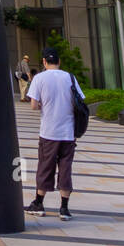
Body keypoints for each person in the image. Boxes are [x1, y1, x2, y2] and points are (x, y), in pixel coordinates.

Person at [25, 46, 86, 221]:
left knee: (45, 166)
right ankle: (64, 208)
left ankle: (39, 203)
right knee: (66, 169)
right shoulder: (70, 78)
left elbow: (34, 105)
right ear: (59, 61)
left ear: (44, 62)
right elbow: (79, 102)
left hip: (49, 132)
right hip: (68, 133)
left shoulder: (39, 78)